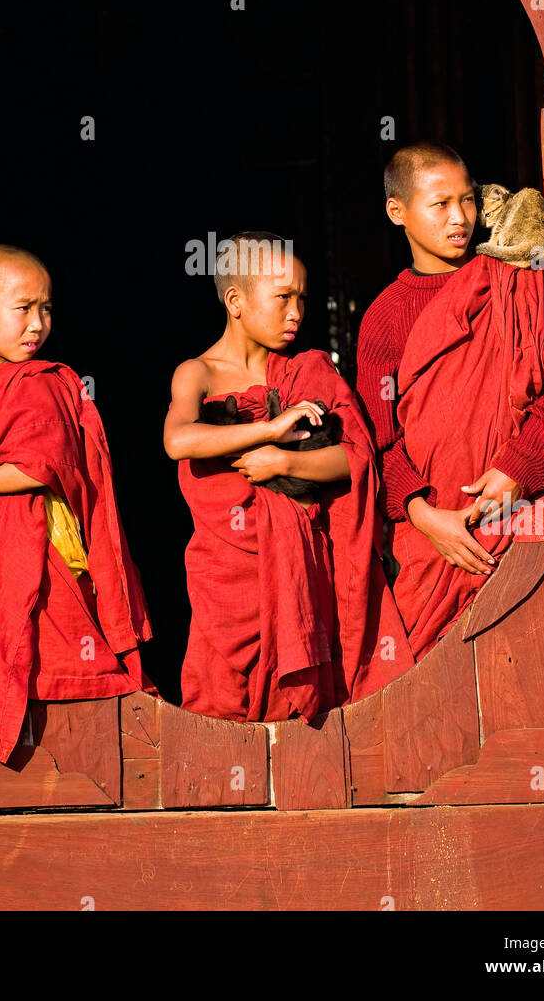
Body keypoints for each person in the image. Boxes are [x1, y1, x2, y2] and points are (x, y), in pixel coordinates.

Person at [0, 243, 154, 762]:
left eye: (47, 308)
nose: (37, 324)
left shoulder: (42, 384)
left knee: (62, 660)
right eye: (23, 308)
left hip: (41, 546)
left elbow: (32, 470)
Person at [163, 230, 414, 723]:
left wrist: (284, 462)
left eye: (301, 297)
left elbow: (356, 460)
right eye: (282, 297)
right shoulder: (198, 373)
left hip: (305, 566)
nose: (296, 312)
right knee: (220, 701)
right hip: (229, 571)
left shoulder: (308, 371)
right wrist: (270, 429)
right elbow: (178, 441)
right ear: (235, 300)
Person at [355, 142, 544, 662]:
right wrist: (423, 513)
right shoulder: (386, 317)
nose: (460, 218)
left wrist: (519, 464)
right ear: (397, 211)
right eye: (440, 204)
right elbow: (375, 439)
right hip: (430, 539)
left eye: (469, 201)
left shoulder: (514, 281)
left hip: (518, 507)